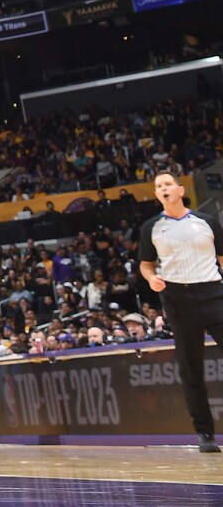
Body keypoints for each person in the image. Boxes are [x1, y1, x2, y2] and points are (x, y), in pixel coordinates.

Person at [136, 170, 223, 452]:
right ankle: (205, 434)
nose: (163, 188)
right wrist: (151, 278)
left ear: (180, 189)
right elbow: (146, 264)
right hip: (177, 298)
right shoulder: (152, 227)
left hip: (214, 293)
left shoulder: (206, 221)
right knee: (191, 369)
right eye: (159, 186)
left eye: (168, 184)